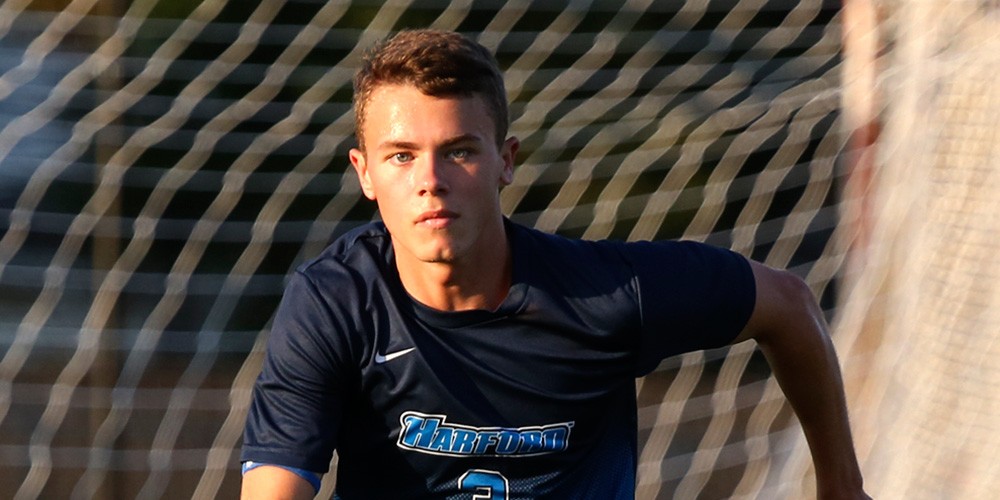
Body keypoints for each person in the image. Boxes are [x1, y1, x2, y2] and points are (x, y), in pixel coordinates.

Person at [240, 29, 870, 499]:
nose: (430, 180)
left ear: (505, 160)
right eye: (402, 156)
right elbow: (275, 483)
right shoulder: (335, 303)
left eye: (458, 151)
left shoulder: (602, 295)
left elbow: (787, 304)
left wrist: (840, 484)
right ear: (365, 173)